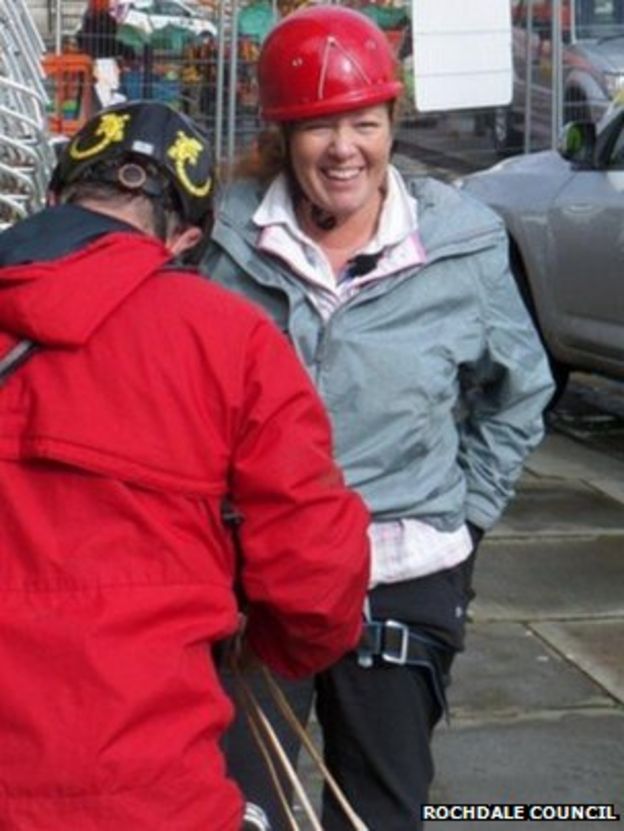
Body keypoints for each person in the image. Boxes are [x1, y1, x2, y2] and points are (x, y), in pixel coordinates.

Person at [200, 6, 555, 830]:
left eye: (365, 121)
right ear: (282, 134)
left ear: (393, 122)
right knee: (236, 805)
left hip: (402, 573)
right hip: (255, 575)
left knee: (380, 809)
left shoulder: (460, 245)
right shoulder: (225, 244)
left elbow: (520, 391)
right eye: (319, 126)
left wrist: (464, 511)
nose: (344, 148)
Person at [0, 100, 371, 831]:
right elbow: (318, 574)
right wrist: (257, 643)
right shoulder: (231, 341)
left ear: (55, 196)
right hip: (146, 783)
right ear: (187, 236)